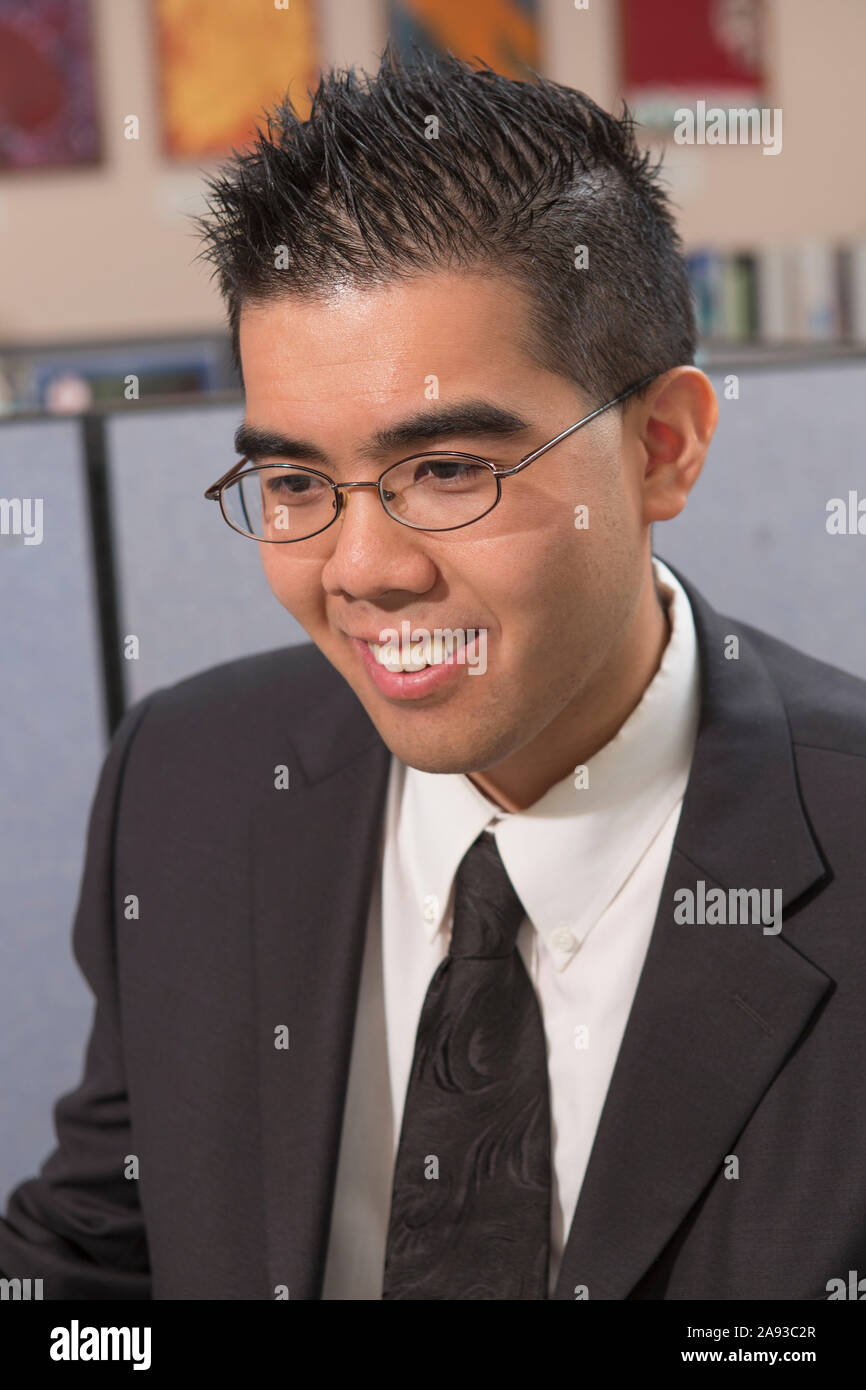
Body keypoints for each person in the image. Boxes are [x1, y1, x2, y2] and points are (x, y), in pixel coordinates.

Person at [2, 44, 865, 1301]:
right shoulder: (187, 787)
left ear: (662, 449)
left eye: (449, 469)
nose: (362, 570)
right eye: (296, 483)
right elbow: (96, 1265)